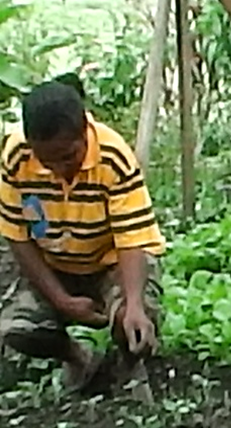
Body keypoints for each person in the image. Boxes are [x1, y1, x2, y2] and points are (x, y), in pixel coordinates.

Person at [0, 81, 165, 398]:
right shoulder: (16, 156)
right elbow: (17, 237)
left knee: (135, 319)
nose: (58, 168)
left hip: (111, 262)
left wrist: (132, 304)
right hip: (56, 265)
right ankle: (79, 358)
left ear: (84, 132)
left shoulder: (113, 156)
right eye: (47, 161)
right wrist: (62, 300)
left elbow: (131, 238)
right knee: (17, 328)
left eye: (68, 156)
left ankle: (129, 366)